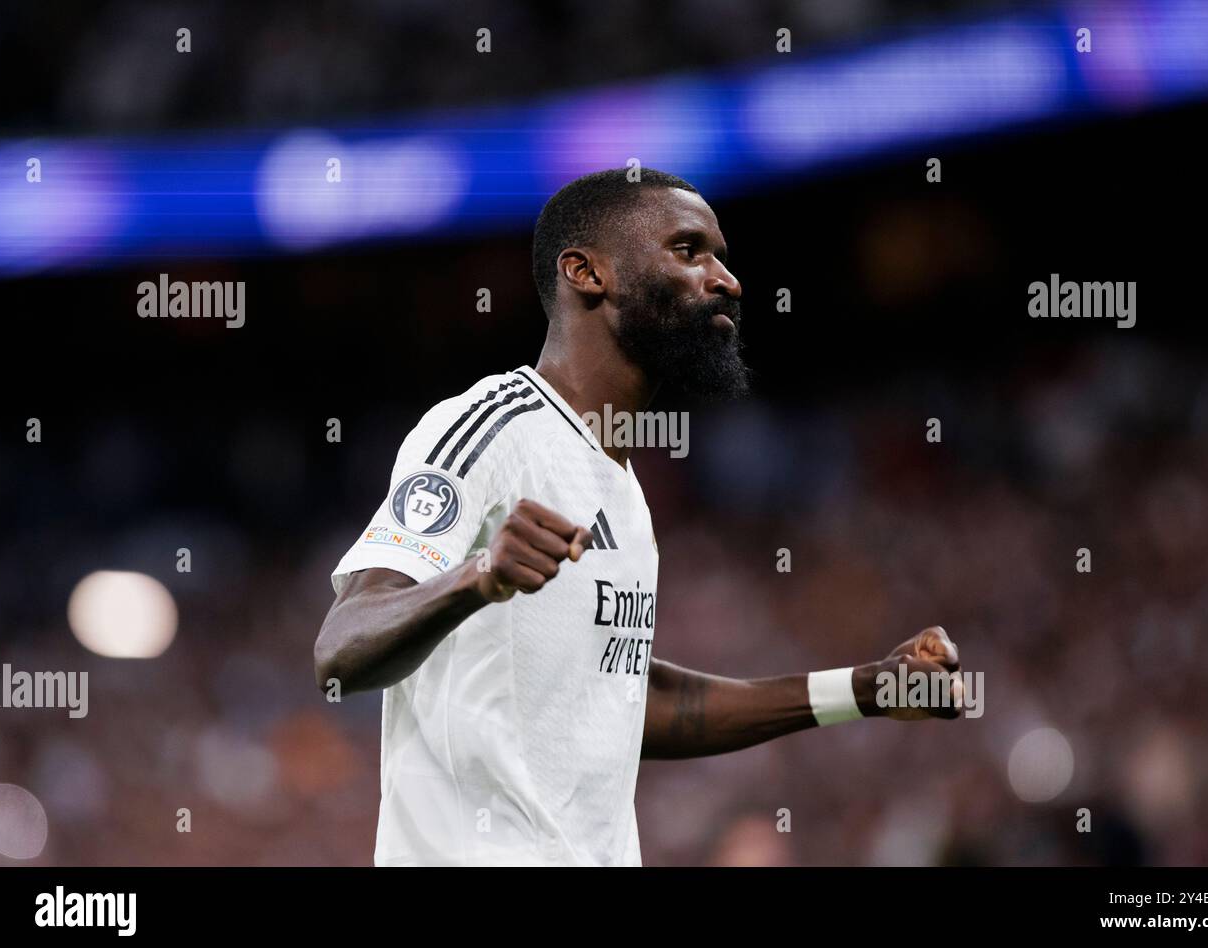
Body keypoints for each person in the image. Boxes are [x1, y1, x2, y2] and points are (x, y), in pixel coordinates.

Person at [314, 168, 963, 866]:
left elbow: (629, 702)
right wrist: (477, 576)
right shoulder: (489, 429)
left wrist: (861, 689)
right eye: (689, 251)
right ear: (587, 272)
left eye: (721, 256)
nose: (726, 280)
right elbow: (340, 650)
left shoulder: (623, 488)